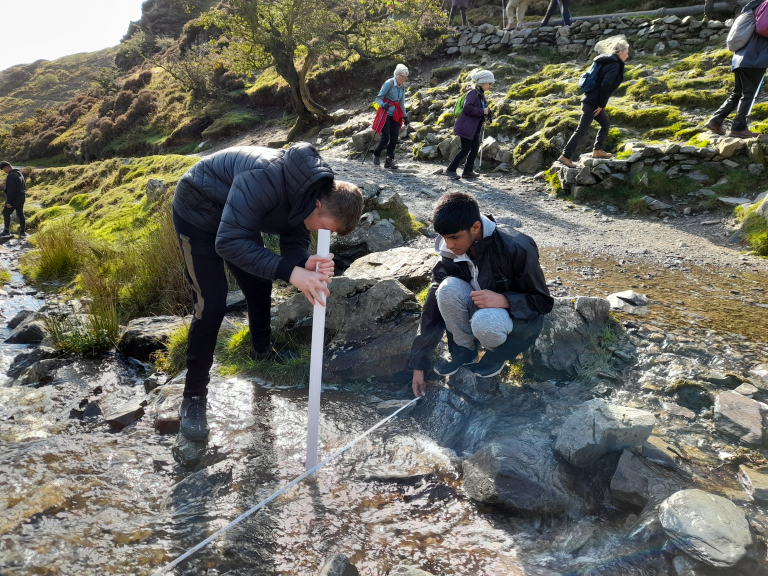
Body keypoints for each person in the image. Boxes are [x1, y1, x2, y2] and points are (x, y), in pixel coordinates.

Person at [172, 143, 363, 440]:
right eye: (325, 228)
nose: (321, 234)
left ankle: (261, 351)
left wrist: (302, 261)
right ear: (318, 206)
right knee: (211, 304)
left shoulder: (309, 192)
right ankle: (193, 398)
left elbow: (292, 240)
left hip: (237, 216)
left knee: (259, 282)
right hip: (198, 212)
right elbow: (228, 242)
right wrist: (292, 272)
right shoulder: (264, 178)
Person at [409, 192, 553, 397]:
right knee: (446, 289)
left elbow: (543, 302)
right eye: (444, 237)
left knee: (484, 321)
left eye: (454, 237)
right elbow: (433, 305)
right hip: (478, 309)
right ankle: (465, 351)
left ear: (475, 227)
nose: (449, 244)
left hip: (511, 320)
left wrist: (504, 300)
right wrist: (419, 363)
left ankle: (496, 355)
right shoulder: (451, 248)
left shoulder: (516, 246)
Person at [558, 37, 629, 168]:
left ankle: (597, 150)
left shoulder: (605, 60)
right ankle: (565, 156)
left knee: (605, 124)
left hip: (590, 98)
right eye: (626, 52)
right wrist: (601, 105)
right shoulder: (614, 64)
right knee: (581, 130)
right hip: (593, 102)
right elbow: (605, 84)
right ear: (620, 52)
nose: (627, 55)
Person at [706, 0, 768, 139]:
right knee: (749, 93)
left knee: (738, 93)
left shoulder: (753, 7)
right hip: (755, 57)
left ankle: (715, 121)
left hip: (741, 57)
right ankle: (739, 127)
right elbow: (763, 28)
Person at [446, 69, 494, 180]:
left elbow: (477, 109)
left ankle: (468, 171)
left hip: (474, 127)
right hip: (467, 127)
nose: (490, 86)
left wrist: (484, 116)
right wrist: (482, 112)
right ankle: (450, 170)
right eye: (489, 83)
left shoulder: (480, 94)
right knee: (465, 149)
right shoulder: (473, 93)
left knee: (474, 148)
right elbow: (467, 108)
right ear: (483, 82)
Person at [373, 64, 410, 170]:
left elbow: (401, 103)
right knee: (386, 137)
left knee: (394, 138)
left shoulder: (402, 87)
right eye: (402, 76)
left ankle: (389, 160)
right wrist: (383, 105)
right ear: (397, 75)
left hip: (396, 114)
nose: (404, 79)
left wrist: (405, 116)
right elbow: (378, 98)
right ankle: (376, 154)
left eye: (405, 77)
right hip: (386, 113)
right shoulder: (388, 84)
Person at [1, 161, 26, 238]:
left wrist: (9, 201)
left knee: (5, 212)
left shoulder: (11, 175)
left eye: (4, 169)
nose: (4, 171)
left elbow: (11, 190)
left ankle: (6, 231)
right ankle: (22, 232)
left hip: (15, 197)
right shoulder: (19, 173)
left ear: (7, 167)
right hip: (22, 196)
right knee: (20, 213)